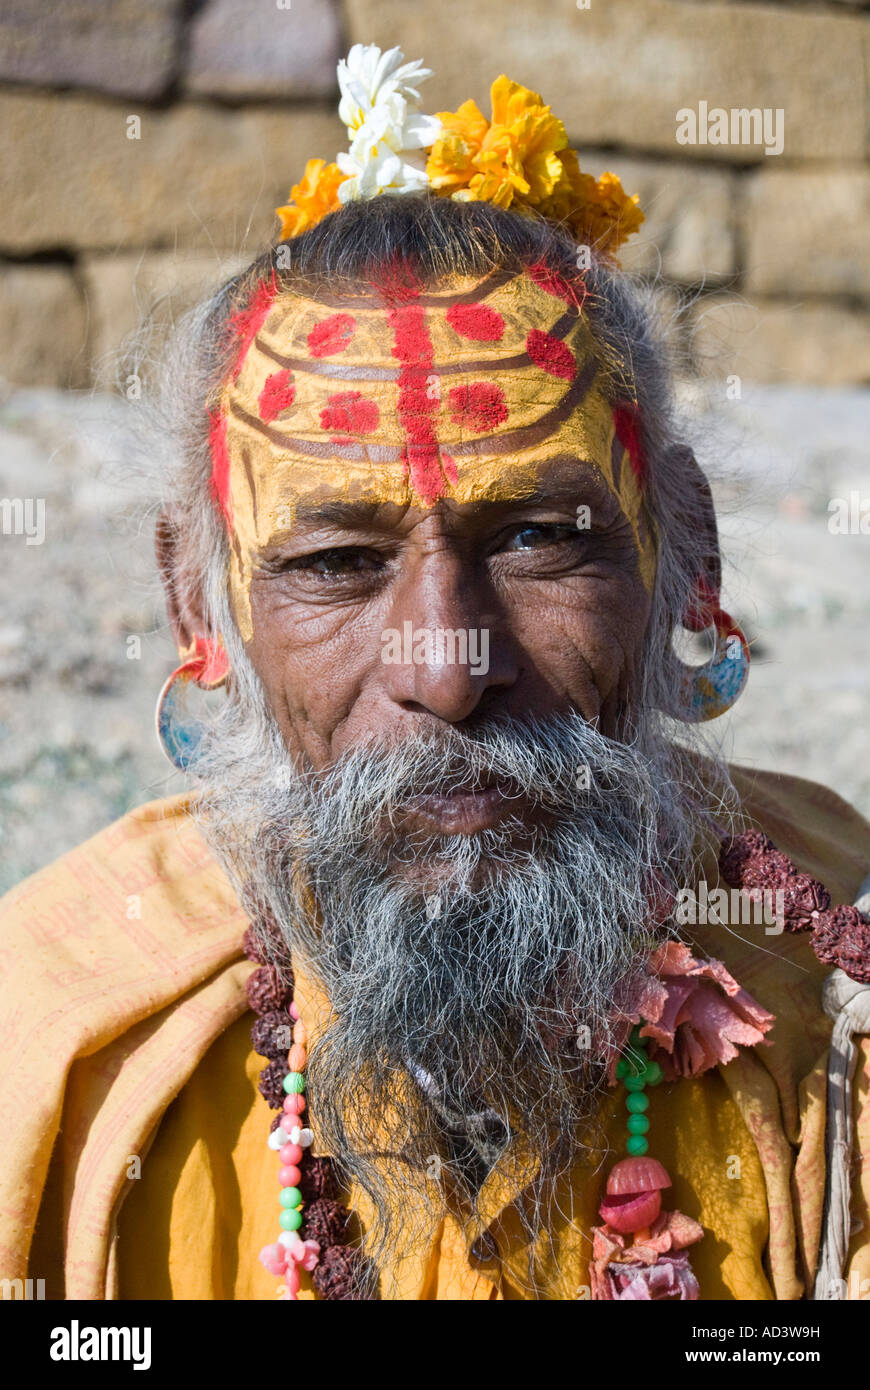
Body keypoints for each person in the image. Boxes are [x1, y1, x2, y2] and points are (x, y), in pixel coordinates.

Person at [2, 44, 869, 1303]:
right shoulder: (53, 1046)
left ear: (686, 559)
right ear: (201, 602)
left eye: (535, 540)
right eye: (341, 560)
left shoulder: (834, 1007)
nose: (448, 670)